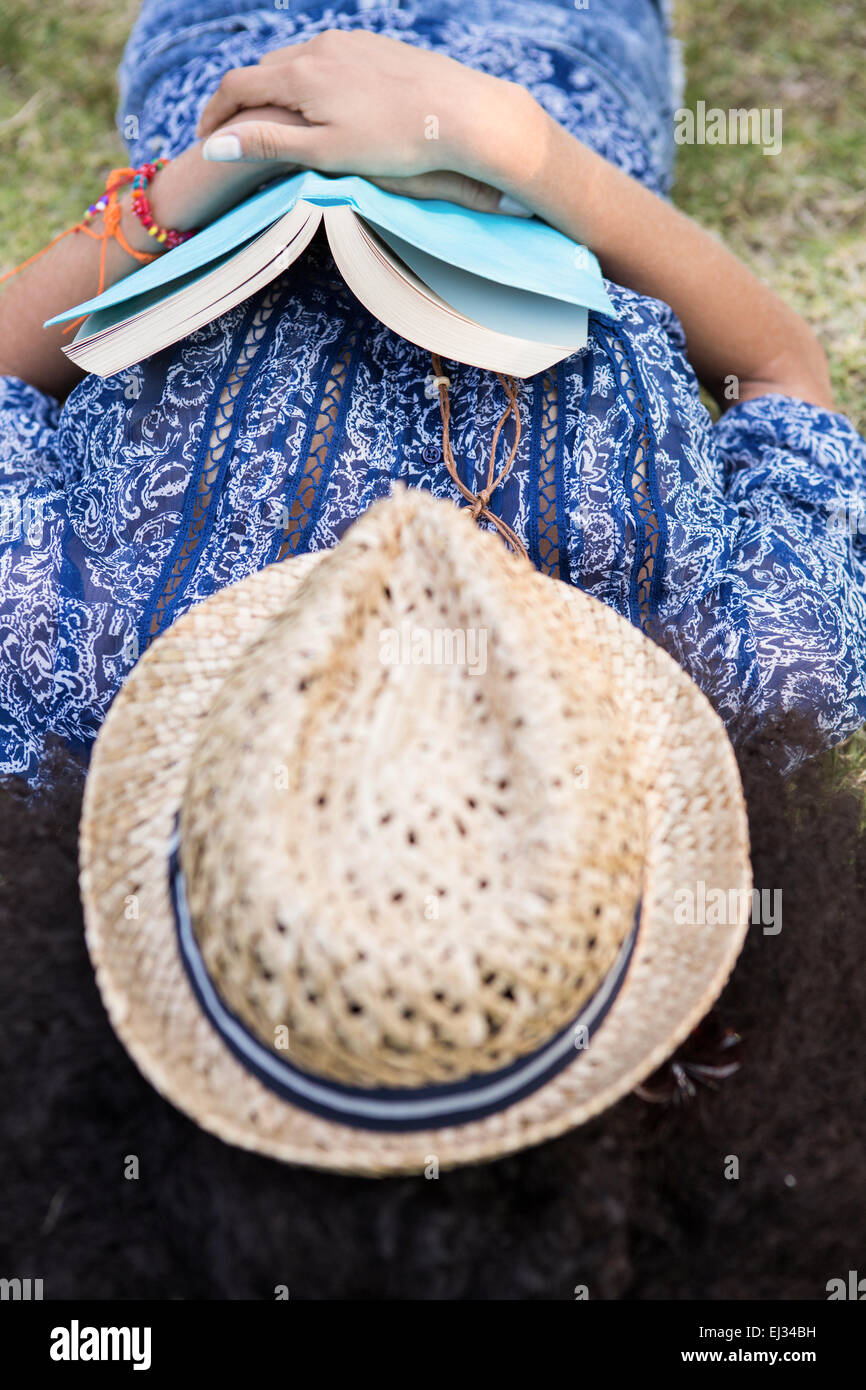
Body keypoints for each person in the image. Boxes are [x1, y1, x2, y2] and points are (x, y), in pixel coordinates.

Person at [0, 0, 863, 783]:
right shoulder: (732, 681)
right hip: (553, 37)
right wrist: (513, 143)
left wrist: (199, 178)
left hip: (246, 47)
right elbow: (781, 375)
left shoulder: (86, 683)